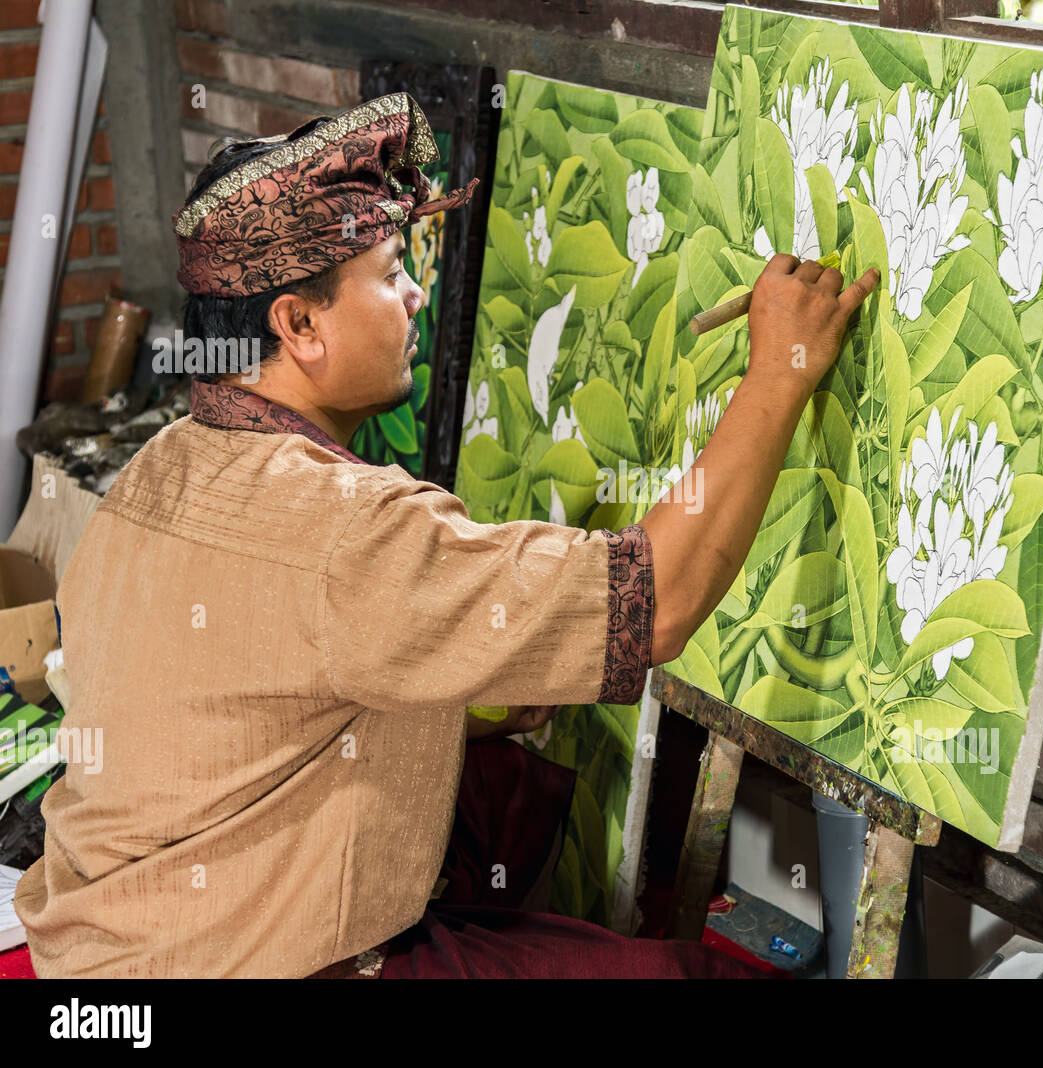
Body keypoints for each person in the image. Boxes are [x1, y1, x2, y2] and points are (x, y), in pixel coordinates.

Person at [14, 92, 876, 978]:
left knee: (499, 789)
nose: (418, 293)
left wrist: (455, 699)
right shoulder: (349, 530)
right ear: (298, 325)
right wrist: (782, 370)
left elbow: (230, 694)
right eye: (391, 274)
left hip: (103, 954)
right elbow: (655, 604)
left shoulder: (158, 465)